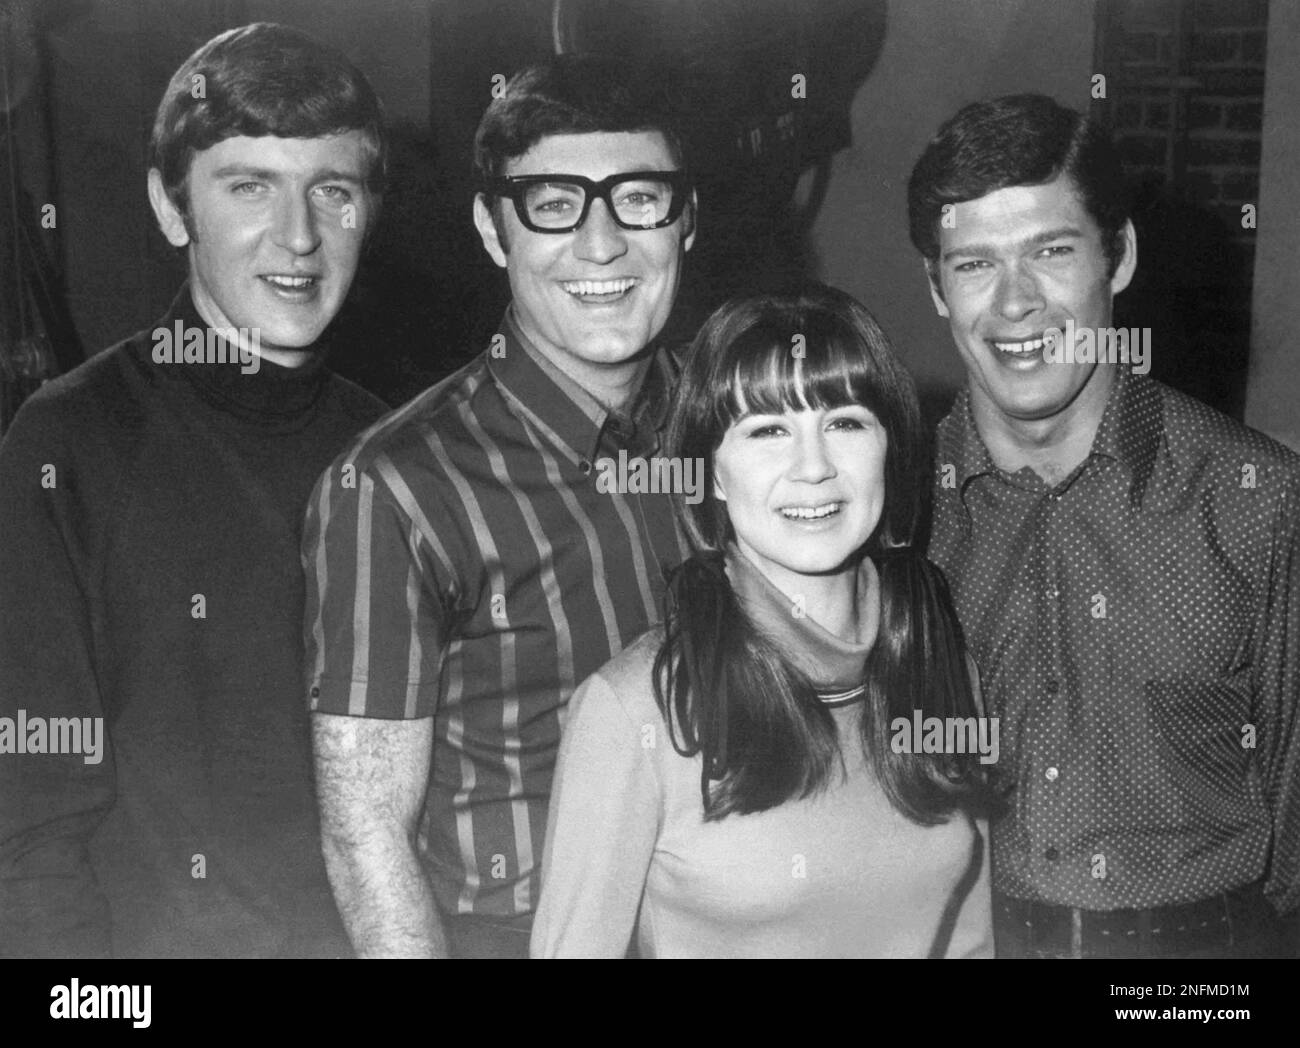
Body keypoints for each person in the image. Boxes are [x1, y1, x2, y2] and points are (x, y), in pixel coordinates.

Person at [0, 23, 388, 958]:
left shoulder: (397, 449)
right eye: (249, 186)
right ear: (171, 210)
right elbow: (25, 830)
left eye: (330, 190)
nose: (297, 237)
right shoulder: (68, 445)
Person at [304, 54, 696, 959]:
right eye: (554, 204)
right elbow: (367, 840)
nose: (601, 245)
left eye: (639, 199)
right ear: (492, 229)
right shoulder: (399, 486)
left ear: (686, 223)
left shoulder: (746, 427)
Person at [910, 93, 1300, 958]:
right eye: (973, 265)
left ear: (1118, 258)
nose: (1015, 304)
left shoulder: (1257, 501)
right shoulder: (893, 510)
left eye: (1050, 252)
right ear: (935, 289)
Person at [531, 285, 995, 958]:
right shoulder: (633, 710)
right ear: (711, 474)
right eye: (767, 431)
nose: (813, 468)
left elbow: (972, 942)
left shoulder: (941, 664)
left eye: (845, 422)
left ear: (890, 451)